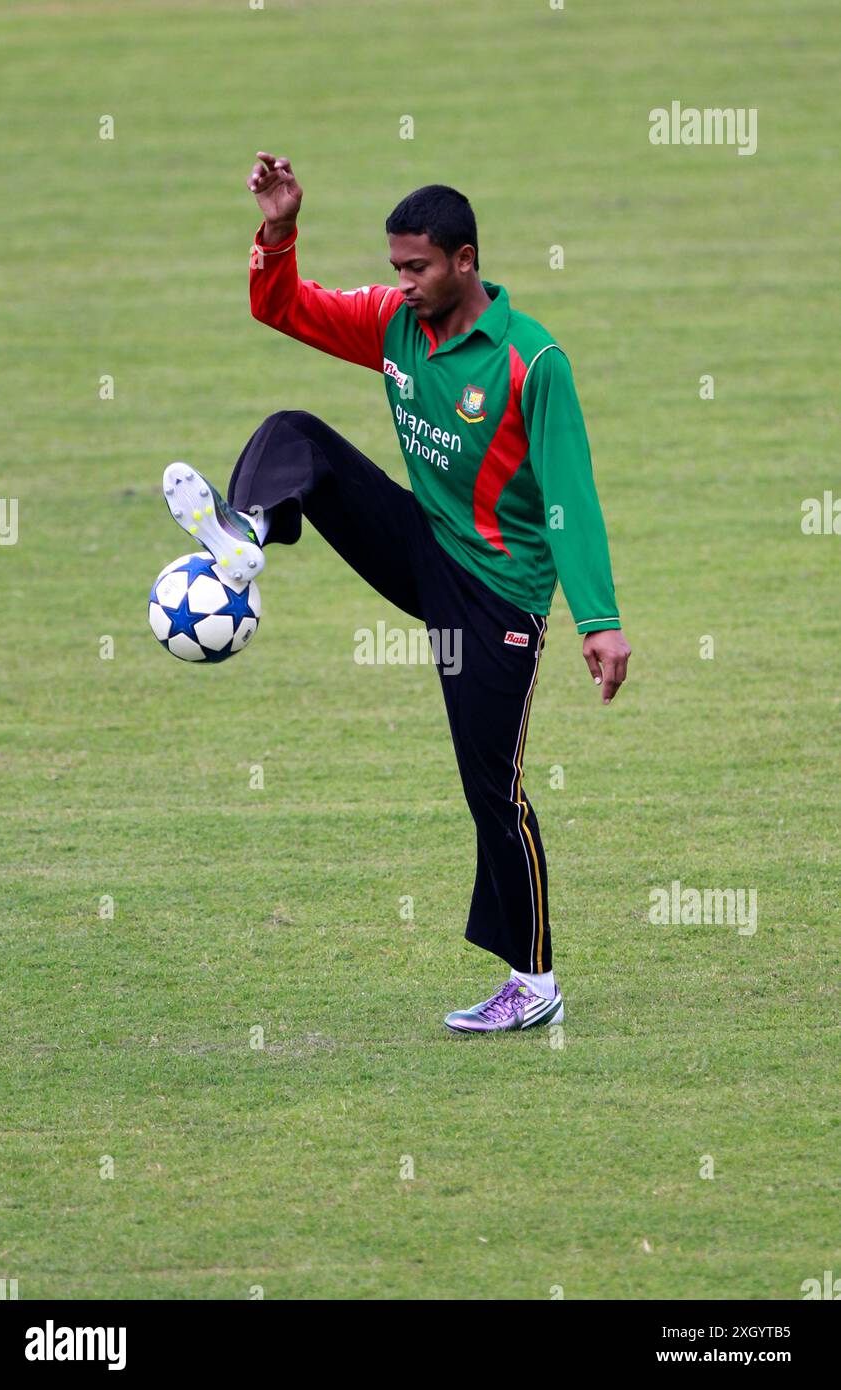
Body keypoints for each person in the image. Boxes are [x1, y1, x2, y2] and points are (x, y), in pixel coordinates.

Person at [162, 150, 631, 1034]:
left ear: (465, 260)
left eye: (417, 268)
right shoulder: (395, 327)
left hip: (496, 596)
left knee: (492, 788)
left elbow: (572, 500)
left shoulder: (535, 362)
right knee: (296, 432)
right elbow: (283, 307)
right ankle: (245, 536)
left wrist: (599, 622)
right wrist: (279, 229)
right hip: (423, 547)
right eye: (396, 269)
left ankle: (534, 982)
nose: (403, 284)